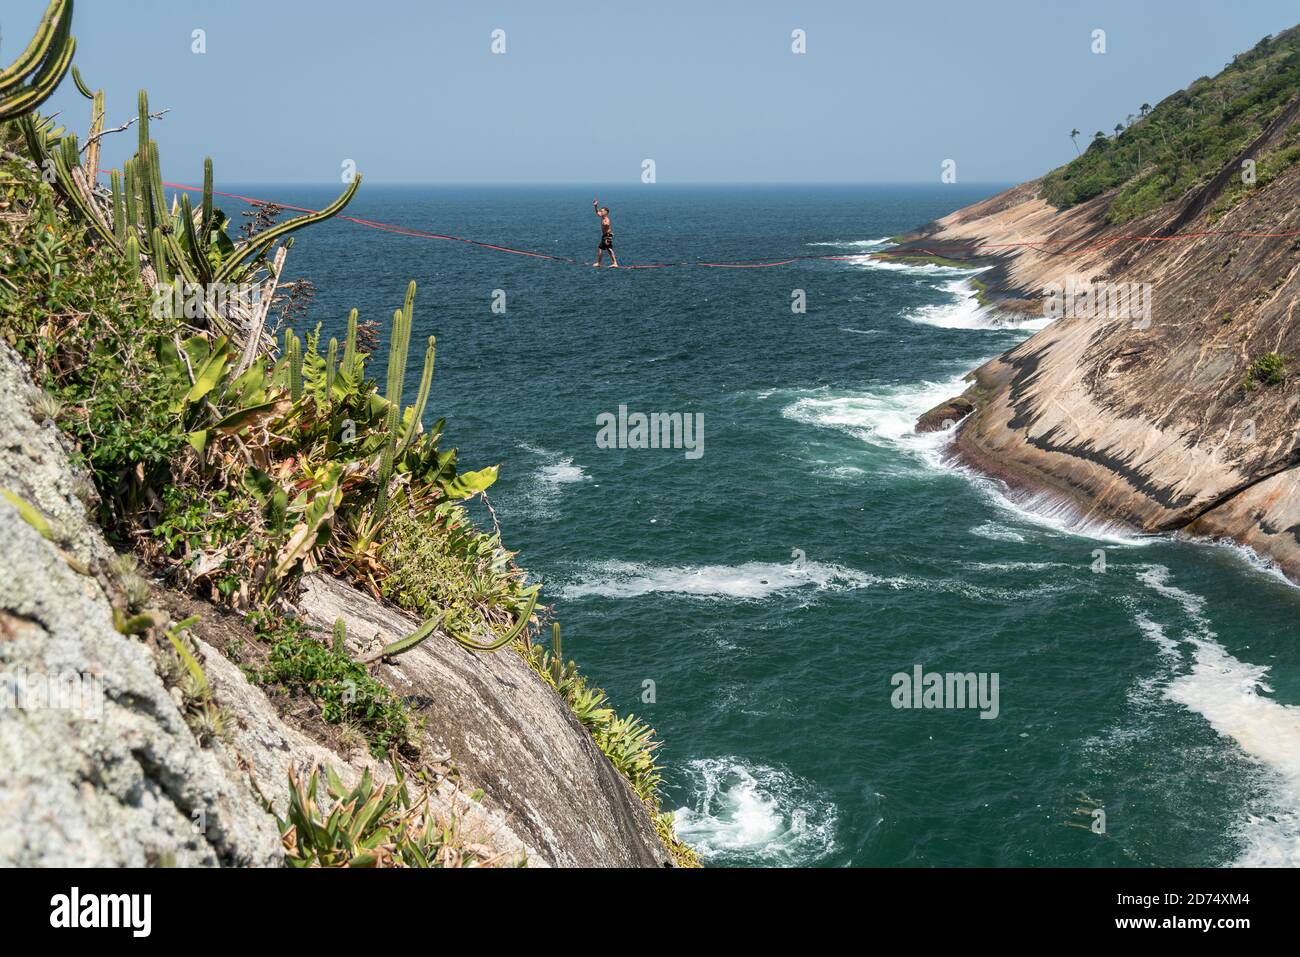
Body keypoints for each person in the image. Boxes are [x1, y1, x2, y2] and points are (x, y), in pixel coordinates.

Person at [592, 198, 619, 267]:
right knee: (601, 248)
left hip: (607, 236)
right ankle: (599, 263)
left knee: (609, 249)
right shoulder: (602, 217)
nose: (601, 212)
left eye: (602, 211)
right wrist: (595, 206)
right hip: (604, 236)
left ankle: (615, 263)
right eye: (601, 211)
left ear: (606, 212)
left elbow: (607, 224)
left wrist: (605, 224)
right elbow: (597, 212)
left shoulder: (606, 219)